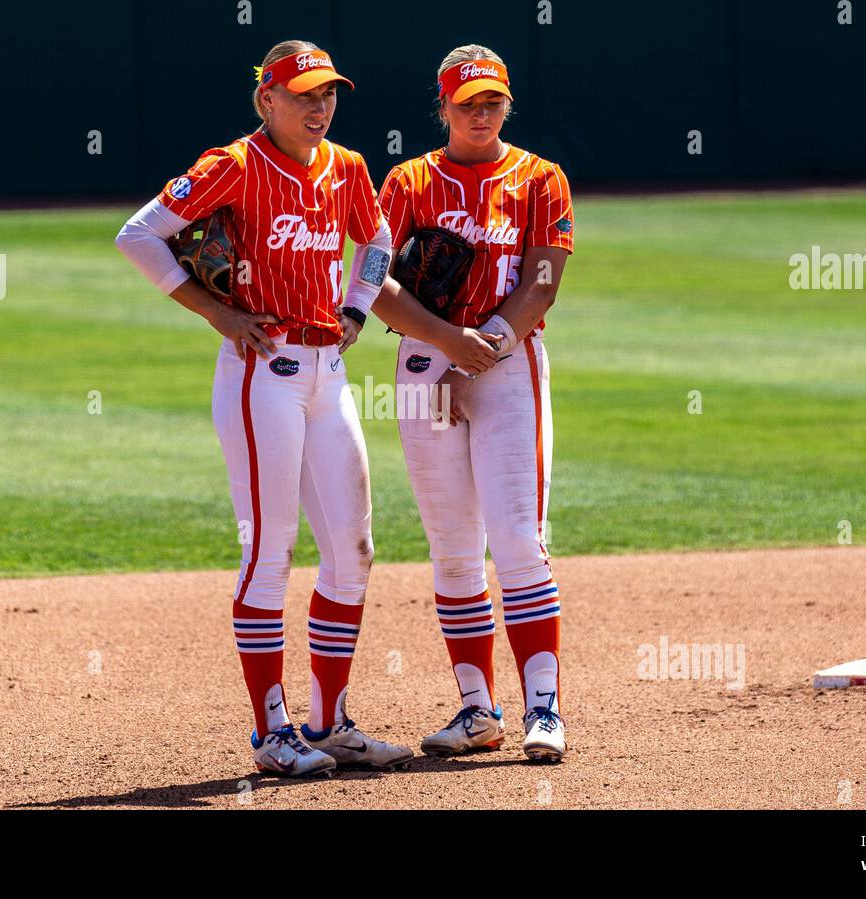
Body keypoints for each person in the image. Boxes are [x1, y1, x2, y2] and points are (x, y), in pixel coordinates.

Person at [115, 40, 492, 776]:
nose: (319, 107)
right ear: (268, 100)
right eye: (304, 94)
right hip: (264, 373)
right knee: (270, 551)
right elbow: (138, 236)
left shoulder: (347, 166)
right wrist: (215, 313)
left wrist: (356, 307)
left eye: (328, 94)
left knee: (352, 550)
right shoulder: (232, 165)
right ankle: (270, 734)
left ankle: (329, 723)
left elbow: (378, 238)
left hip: (327, 372)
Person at [371, 44, 575, 762]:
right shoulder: (407, 181)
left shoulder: (541, 179)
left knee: (518, 537)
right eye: (468, 104)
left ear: (507, 104)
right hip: (425, 364)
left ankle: (543, 709)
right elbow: (374, 280)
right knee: (454, 548)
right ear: (444, 107)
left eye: (493, 101)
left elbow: (542, 284)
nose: (482, 114)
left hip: (510, 363)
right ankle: (475, 711)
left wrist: (476, 349)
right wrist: (445, 344)